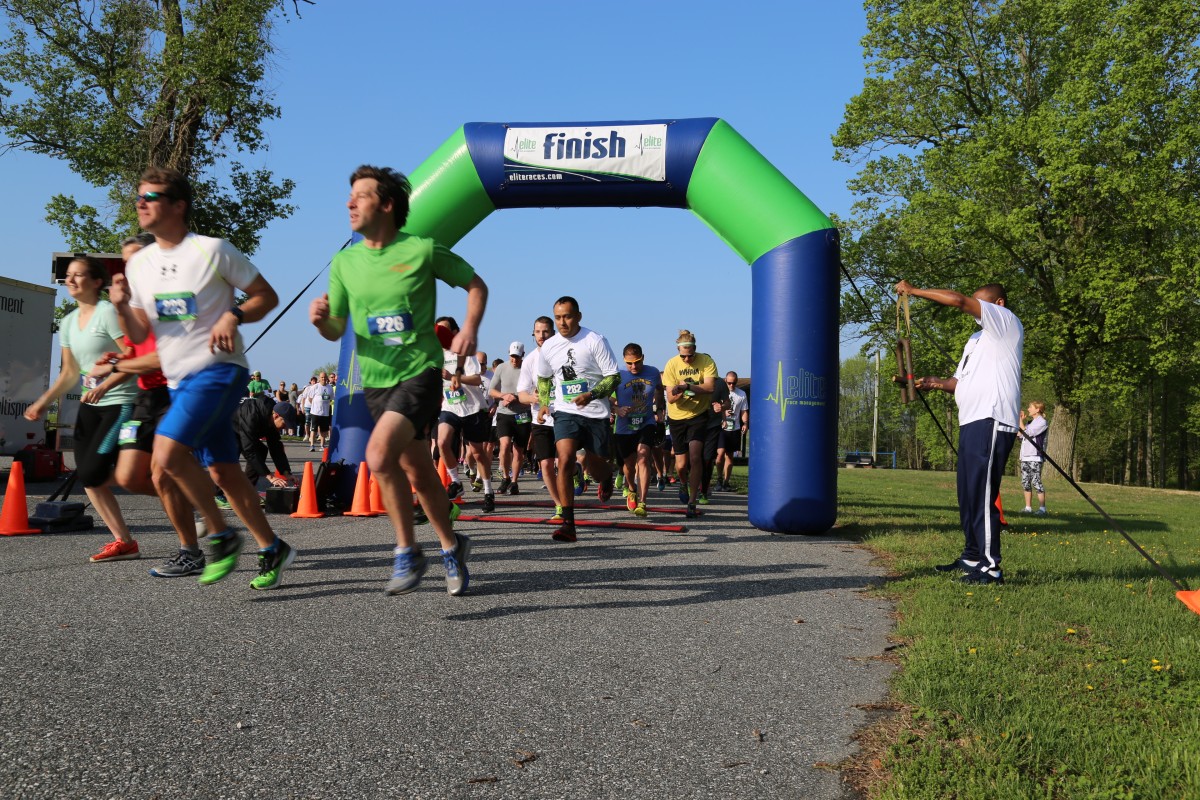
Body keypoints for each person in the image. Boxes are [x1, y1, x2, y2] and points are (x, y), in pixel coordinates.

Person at [112, 165, 297, 590]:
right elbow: (141, 334)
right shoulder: (140, 265)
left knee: (167, 455)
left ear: (178, 205)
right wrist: (122, 306)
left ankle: (220, 536)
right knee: (224, 474)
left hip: (219, 370)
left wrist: (233, 315)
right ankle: (272, 547)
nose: (141, 203)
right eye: (139, 196)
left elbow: (267, 296)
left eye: (151, 196)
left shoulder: (212, 250)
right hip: (178, 381)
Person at [310, 164, 486, 596]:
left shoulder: (422, 250)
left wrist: (469, 328)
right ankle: (451, 544)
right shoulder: (345, 262)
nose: (350, 203)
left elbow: (475, 284)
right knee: (418, 471)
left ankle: (407, 551)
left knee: (379, 454)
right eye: (350, 196)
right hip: (377, 381)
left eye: (362, 196)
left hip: (420, 371)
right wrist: (320, 322)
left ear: (387, 205)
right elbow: (337, 328)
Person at [86, 233, 204, 577]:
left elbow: (162, 357)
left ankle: (191, 551)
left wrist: (115, 367)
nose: (132, 268)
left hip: (177, 391)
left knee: (162, 474)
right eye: (128, 262)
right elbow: (138, 353)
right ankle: (203, 510)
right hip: (146, 395)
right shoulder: (134, 306)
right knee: (129, 477)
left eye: (139, 259)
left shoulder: (176, 297)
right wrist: (118, 361)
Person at [896, 280, 1023, 585]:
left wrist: (913, 291)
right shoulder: (976, 340)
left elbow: (956, 300)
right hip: (972, 420)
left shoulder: (1006, 323)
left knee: (982, 494)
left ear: (999, 304)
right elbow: (959, 381)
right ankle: (972, 556)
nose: (975, 311)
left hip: (992, 418)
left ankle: (991, 567)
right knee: (967, 494)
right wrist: (935, 382)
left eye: (981, 305)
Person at [24, 256, 140, 562]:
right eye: (68, 276)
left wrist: (105, 385)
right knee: (88, 476)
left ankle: (170, 484)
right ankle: (124, 541)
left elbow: (132, 357)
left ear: (97, 282)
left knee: (93, 472)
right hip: (91, 405)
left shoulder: (108, 314)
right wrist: (42, 402)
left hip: (120, 403)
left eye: (78, 275)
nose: (71, 280)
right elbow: (70, 373)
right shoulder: (68, 322)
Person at [536, 296, 620, 542]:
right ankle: (568, 524)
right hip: (565, 411)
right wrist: (543, 403)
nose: (563, 322)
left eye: (568, 316)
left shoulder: (595, 340)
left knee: (595, 467)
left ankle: (605, 478)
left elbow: (613, 377)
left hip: (595, 412)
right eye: (558, 317)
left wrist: (591, 394)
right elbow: (543, 378)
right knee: (564, 459)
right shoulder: (549, 346)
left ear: (578, 316)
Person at [435, 316, 497, 512]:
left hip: (472, 409)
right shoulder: (437, 355)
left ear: (454, 332)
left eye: (445, 330)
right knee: (442, 442)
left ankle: (488, 491)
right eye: (438, 331)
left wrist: (455, 377)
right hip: (450, 407)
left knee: (478, 453)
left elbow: (478, 379)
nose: (440, 334)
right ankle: (456, 482)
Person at [662, 330, 718, 518]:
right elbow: (670, 399)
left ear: (695, 350)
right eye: (683, 356)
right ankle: (683, 482)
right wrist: (678, 391)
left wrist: (687, 386)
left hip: (698, 416)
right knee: (681, 464)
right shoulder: (671, 364)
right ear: (678, 351)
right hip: (677, 418)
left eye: (690, 355)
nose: (686, 359)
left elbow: (710, 387)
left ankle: (692, 501)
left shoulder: (706, 361)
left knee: (695, 458)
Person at [517, 315, 566, 521]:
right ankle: (559, 505)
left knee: (565, 461)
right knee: (545, 464)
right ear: (533, 334)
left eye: (545, 331)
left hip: (563, 415)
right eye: (538, 332)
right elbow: (521, 394)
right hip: (541, 419)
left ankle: (574, 478)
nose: (542, 335)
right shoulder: (529, 361)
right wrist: (533, 397)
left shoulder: (563, 354)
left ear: (553, 333)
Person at [613, 343, 664, 517]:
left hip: (646, 422)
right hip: (624, 425)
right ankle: (632, 488)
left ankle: (643, 502)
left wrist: (659, 411)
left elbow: (659, 390)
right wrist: (616, 409)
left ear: (643, 358)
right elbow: (604, 397)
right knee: (628, 465)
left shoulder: (653, 372)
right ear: (624, 361)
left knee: (643, 457)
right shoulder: (617, 375)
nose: (634, 366)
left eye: (637, 362)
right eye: (629, 363)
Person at [491, 341, 532, 496]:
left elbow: (533, 393)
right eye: (512, 356)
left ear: (523, 355)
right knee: (505, 444)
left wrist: (515, 397)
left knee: (519, 451)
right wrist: (503, 395)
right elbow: (491, 390)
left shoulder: (527, 368)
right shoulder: (502, 368)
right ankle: (505, 477)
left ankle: (514, 481)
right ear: (509, 354)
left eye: (517, 357)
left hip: (522, 414)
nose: (514, 360)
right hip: (504, 413)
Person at [715, 372, 748, 492]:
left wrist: (745, 423)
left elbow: (744, 411)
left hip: (735, 427)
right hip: (722, 427)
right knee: (720, 454)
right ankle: (719, 478)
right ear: (725, 381)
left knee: (729, 456)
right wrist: (723, 412)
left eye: (734, 383)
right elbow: (714, 408)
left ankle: (726, 482)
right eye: (729, 383)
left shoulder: (742, 394)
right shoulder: (720, 392)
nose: (731, 385)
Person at [1019, 401, 1049, 515]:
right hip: (1025, 456)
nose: (1028, 409)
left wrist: (1020, 421)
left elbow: (1029, 433)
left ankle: (1042, 509)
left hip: (1035, 456)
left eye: (1030, 407)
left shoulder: (1042, 422)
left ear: (1037, 410)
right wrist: (1020, 422)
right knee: (1025, 482)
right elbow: (1020, 435)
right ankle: (1028, 507)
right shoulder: (1030, 422)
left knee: (1036, 481)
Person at [305, 372, 334, 452]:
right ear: (319, 378)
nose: (323, 379)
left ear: (327, 378)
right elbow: (310, 398)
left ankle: (322, 446)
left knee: (324, 430)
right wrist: (316, 404)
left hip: (325, 413)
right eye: (322, 377)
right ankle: (312, 445)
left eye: (325, 377)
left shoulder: (329, 388)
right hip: (315, 412)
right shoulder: (315, 387)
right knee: (313, 429)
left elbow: (331, 398)